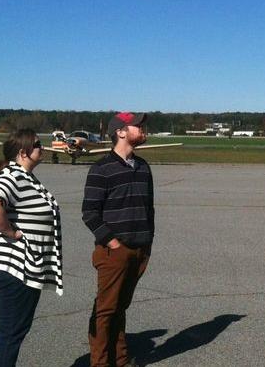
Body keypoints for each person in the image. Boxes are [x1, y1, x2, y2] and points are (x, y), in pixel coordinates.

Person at [0, 129, 63, 367]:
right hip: (16, 267)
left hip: (23, 266)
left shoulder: (24, 176)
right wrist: (10, 232)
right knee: (11, 334)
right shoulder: (12, 176)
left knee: (13, 332)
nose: (43, 147)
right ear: (22, 152)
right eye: (38, 144)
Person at [82, 112, 155, 367]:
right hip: (114, 252)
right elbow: (89, 213)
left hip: (139, 251)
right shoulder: (101, 169)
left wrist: (148, 243)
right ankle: (100, 362)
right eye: (138, 126)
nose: (144, 129)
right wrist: (113, 243)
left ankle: (121, 360)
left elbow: (150, 209)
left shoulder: (144, 167)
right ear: (121, 132)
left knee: (120, 308)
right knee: (105, 311)